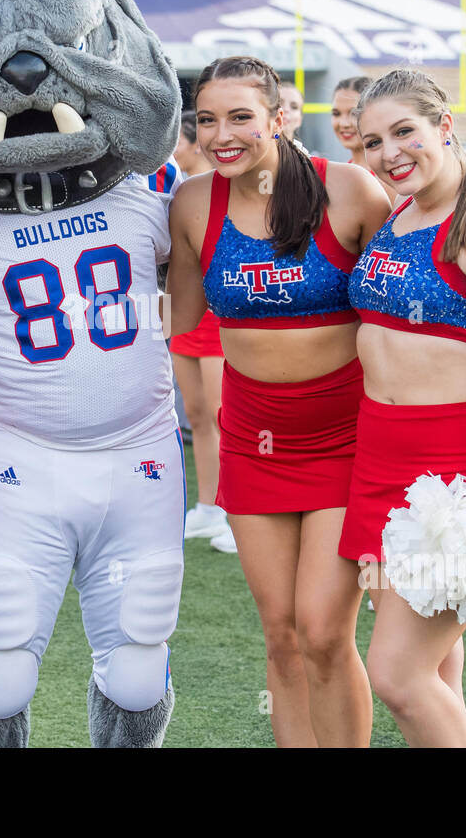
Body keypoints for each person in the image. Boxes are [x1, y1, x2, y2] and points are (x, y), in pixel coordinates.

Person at [167, 56, 391, 747]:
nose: (221, 134)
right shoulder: (192, 202)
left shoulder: (349, 190)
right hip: (254, 440)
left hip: (347, 438)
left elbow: (404, 306)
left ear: (280, 117)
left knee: (325, 633)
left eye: (240, 117)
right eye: (207, 120)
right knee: (283, 635)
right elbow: (178, 320)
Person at [343, 68, 466, 747]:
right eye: (372, 141)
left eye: (405, 132)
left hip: (449, 471)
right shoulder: (401, 213)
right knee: (437, 662)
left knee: (397, 673)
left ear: (444, 126)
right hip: (380, 459)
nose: (390, 153)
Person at [167, 110, 229, 546]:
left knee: (224, 415)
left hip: (218, 316)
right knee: (196, 415)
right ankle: (209, 506)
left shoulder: (221, 188)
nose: (171, 150)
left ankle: (233, 508)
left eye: (177, 141)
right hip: (184, 313)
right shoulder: (177, 190)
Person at [330, 76, 376, 172]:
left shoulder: (392, 177)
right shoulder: (340, 174)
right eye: (336, 113)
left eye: (354, 114)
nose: (343, 124)